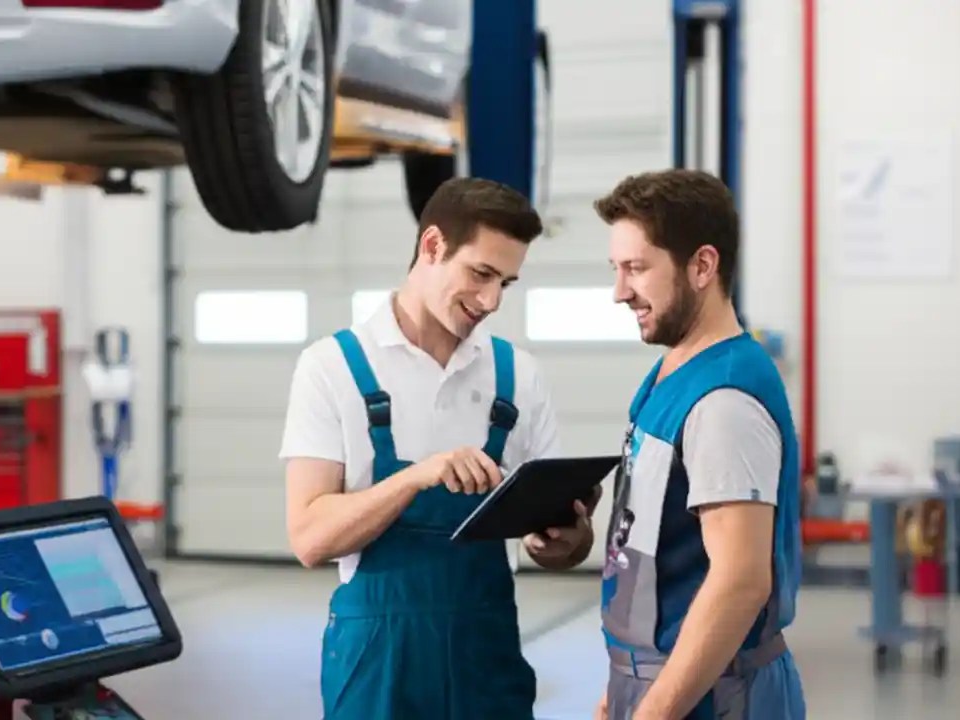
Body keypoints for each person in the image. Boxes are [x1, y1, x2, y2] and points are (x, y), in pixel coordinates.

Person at [279, 177, 597, 720]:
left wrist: (564, 541)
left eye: (506, 282)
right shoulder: (332, 368)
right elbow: (309, 538)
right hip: (378, 666)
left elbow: (563, 550)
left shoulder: (517, 376)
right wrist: (414, 477)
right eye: (480, 273)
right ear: (432, 246)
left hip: (487, 658)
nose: (492, 300)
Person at [591, 169, 806, 720]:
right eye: (616, 269)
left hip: (715, 696)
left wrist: (651, 712)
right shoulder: (671, 374)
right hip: (656, 680)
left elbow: (739, 582)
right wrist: (617, 690)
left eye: (636, 269)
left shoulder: (724, 401)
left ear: (703, 266)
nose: (620, 292)